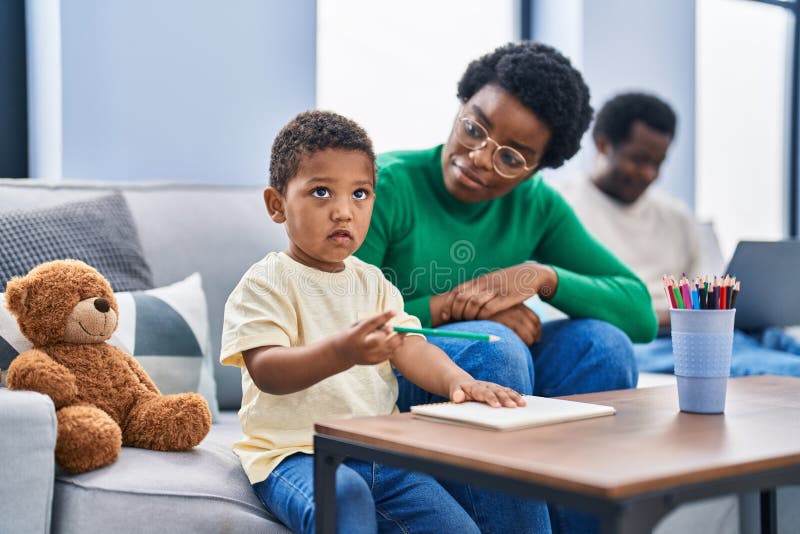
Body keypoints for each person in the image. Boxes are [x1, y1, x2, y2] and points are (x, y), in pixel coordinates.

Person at [354, 41, 657, 534]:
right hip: (397, 373)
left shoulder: (537, 205)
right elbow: (341, 319)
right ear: (462, 104)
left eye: (512, 157)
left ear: (537, 168)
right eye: (474, 128)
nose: (478, 157)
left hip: (495, 368)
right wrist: (457, 308)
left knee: (603, 347)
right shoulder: (384, 186)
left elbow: (640, 313)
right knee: (495, 347)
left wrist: (541, 276)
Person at [220, 110, 552, 534]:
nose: (344, 212)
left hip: (380, 452)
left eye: (360, 194)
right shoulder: (265, 282)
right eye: (321, 192)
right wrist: (343, 351)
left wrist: (459, 381)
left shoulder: (373, 282)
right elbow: (266, 370)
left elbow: (411, 346)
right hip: (296, 454)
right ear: (277, 205)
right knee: (344, 498)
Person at [553, 91, 800, 377]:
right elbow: (563, 302)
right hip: (640, 338)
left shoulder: (676, 216)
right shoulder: (562, 207)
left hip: (702, 329)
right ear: (603, 145)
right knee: (775, 367)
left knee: (775, 340)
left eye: (658, 163)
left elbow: (704, 290)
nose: (649, 174)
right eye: (639, 159)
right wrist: (658, 317)